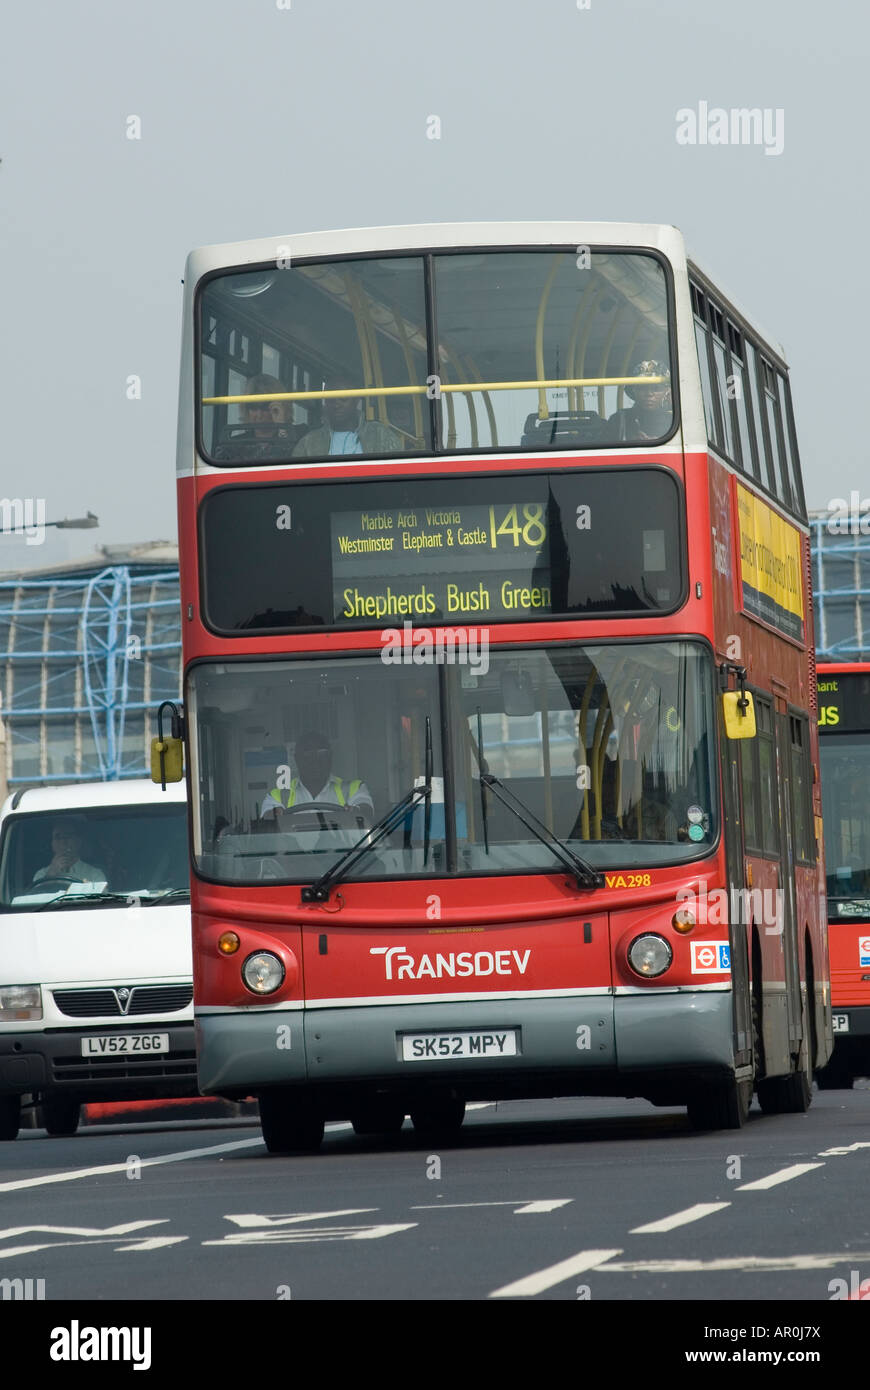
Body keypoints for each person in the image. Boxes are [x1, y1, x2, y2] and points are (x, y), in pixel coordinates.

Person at [260, 731, 374, 823]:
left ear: (330, 757)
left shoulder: (354, 789)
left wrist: (357, 812)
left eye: (322, 754)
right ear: (297, 759)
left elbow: (365, 810)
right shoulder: (278, 796)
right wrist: (275, 814)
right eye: (308, 755)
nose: (315, 761)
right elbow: (267, 818)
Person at [293, 374, 402, 457]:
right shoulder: (309, 442)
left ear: (356, 401)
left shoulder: (380, 434)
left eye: (343, 399)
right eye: (331, 399)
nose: (336, 405)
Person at [213, 373, 293, 461]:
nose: (259, 415)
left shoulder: (299, 438)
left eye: (265, 407)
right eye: (253, 407)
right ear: (246, 409)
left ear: (279, 408)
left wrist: (281, 427)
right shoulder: (233, 445)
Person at [604, 359, 672, 443]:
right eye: (642, 387)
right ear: (633, 390)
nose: (649, 393)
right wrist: (631, 443)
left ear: (666, 391)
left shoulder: (673, 420)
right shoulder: (618, 420)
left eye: (656, 388)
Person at [33, 818, 105, 884]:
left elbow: (102, 897)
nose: (63, 841)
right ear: (52, 843)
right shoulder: (41, 875)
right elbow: (37, 896)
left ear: (78, 841)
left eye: (68, 836)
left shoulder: (94, 874)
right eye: (58, 837)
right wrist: (52, 873)